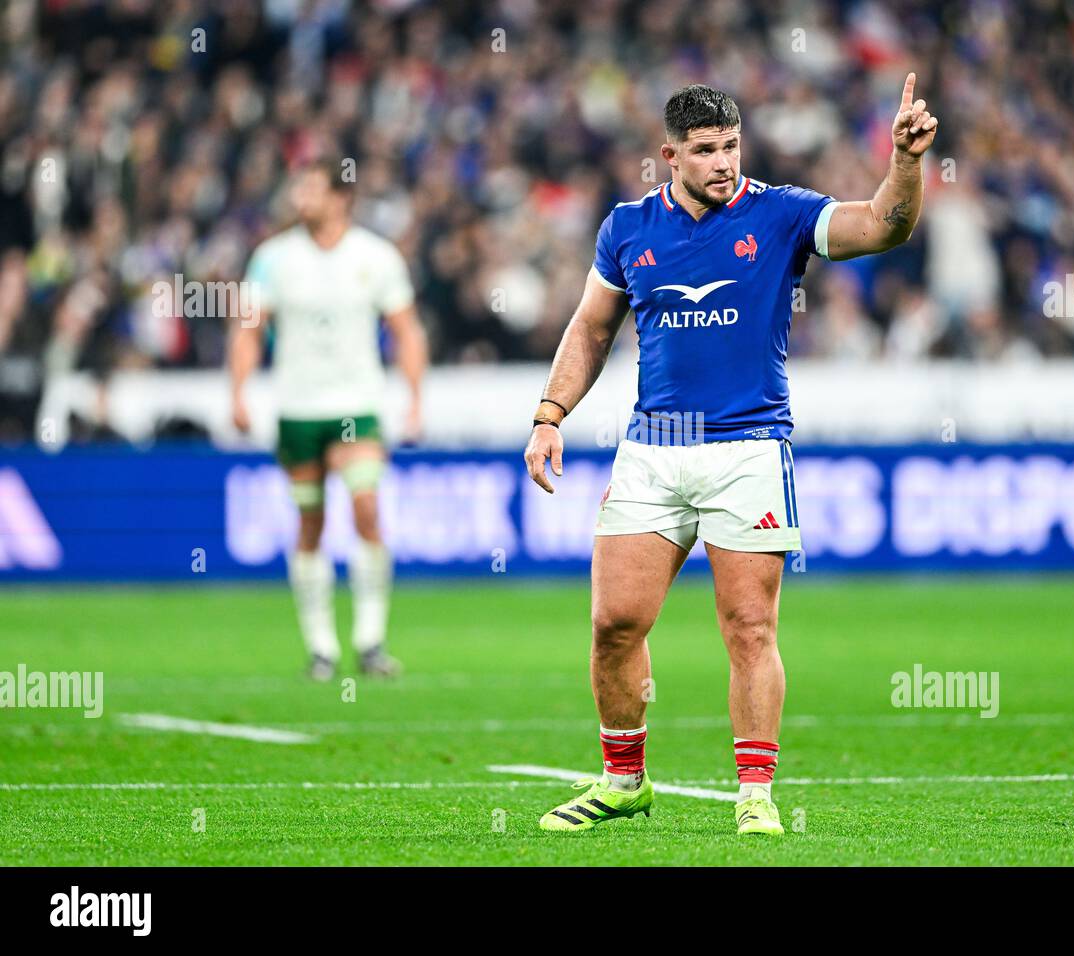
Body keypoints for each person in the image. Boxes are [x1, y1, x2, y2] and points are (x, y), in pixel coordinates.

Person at [524, 75, 938, 834]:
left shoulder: (780, 213)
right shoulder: (626, 229)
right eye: (706, 150)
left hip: (748, 446)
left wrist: (905, 161)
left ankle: (754, 793)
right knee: (616, 623)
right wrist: (551, 414)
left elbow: (884, 226)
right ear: (669, 155)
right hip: (654, 448)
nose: (723, 162)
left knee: (749, 625)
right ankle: (624, 781)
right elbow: (590, 330)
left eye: (731, 146)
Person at [229, 158, 427, 680]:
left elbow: (406, 330)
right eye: (298, 188)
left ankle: (369, 641)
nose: (301, 198)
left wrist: (414, 399)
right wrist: (239, 392)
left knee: (366, 509)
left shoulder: (375, 256)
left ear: (340, 198)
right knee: (310, 523)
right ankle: (320, 648)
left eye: (312, 189)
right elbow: (249, 330)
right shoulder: (272, 258)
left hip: (355, 406)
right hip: (297, 407)